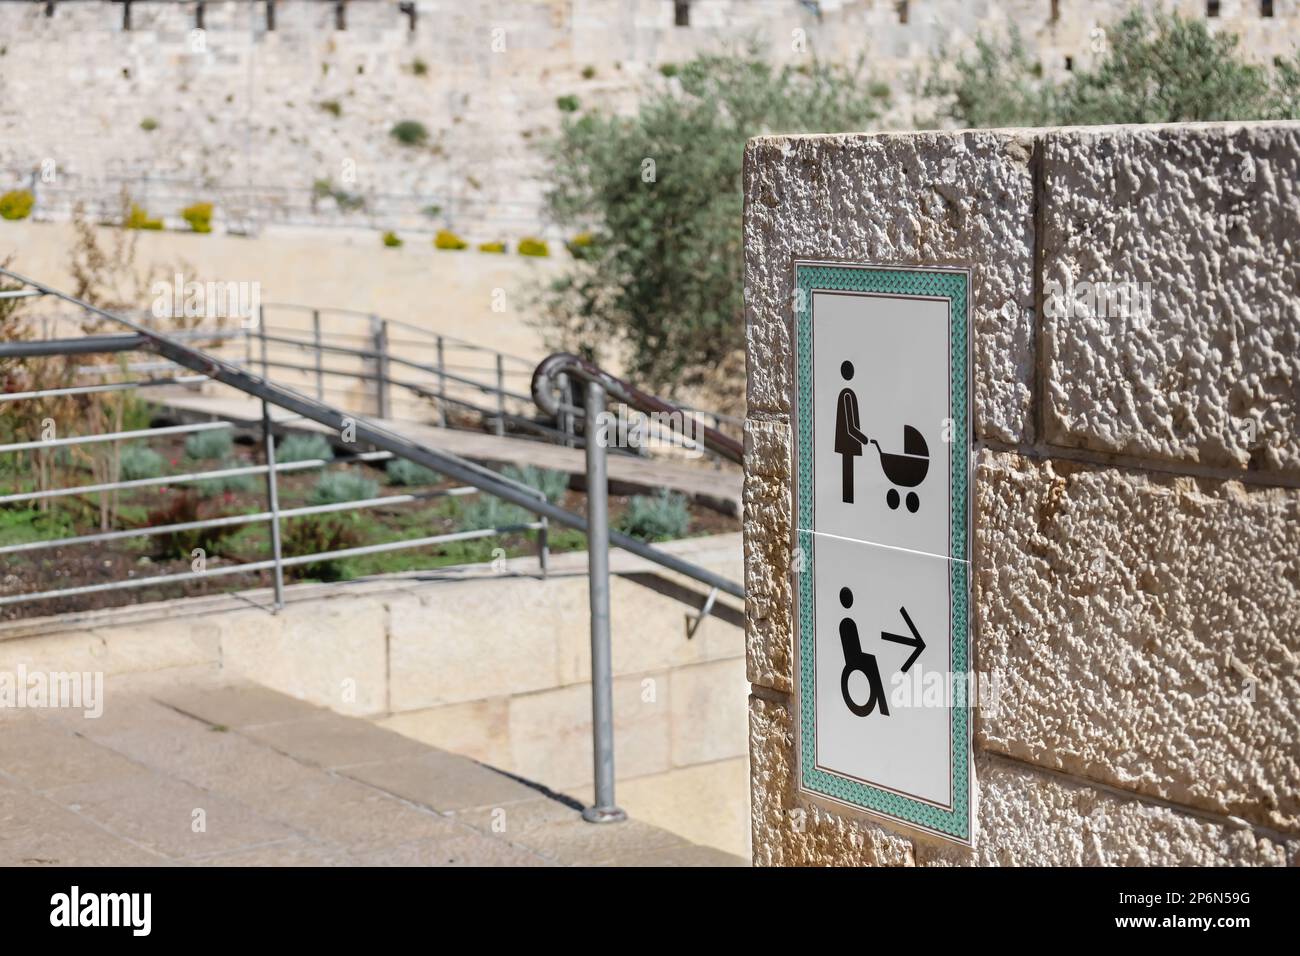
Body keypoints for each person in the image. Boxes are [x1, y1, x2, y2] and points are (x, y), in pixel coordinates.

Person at [838, 587, 889, 717]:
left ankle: (883, 707)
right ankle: (883, 707)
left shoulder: (847, 623)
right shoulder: (846, 623)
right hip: (854, 662)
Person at [834, 361, 869, 503]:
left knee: (847, 471)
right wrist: (864, 439)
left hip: (846, 443)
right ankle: (848, 499)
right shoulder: (847, 394)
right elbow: (850, 427)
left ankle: (848, 499)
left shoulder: (845, 393)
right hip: (848, 443)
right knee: (848, 473)